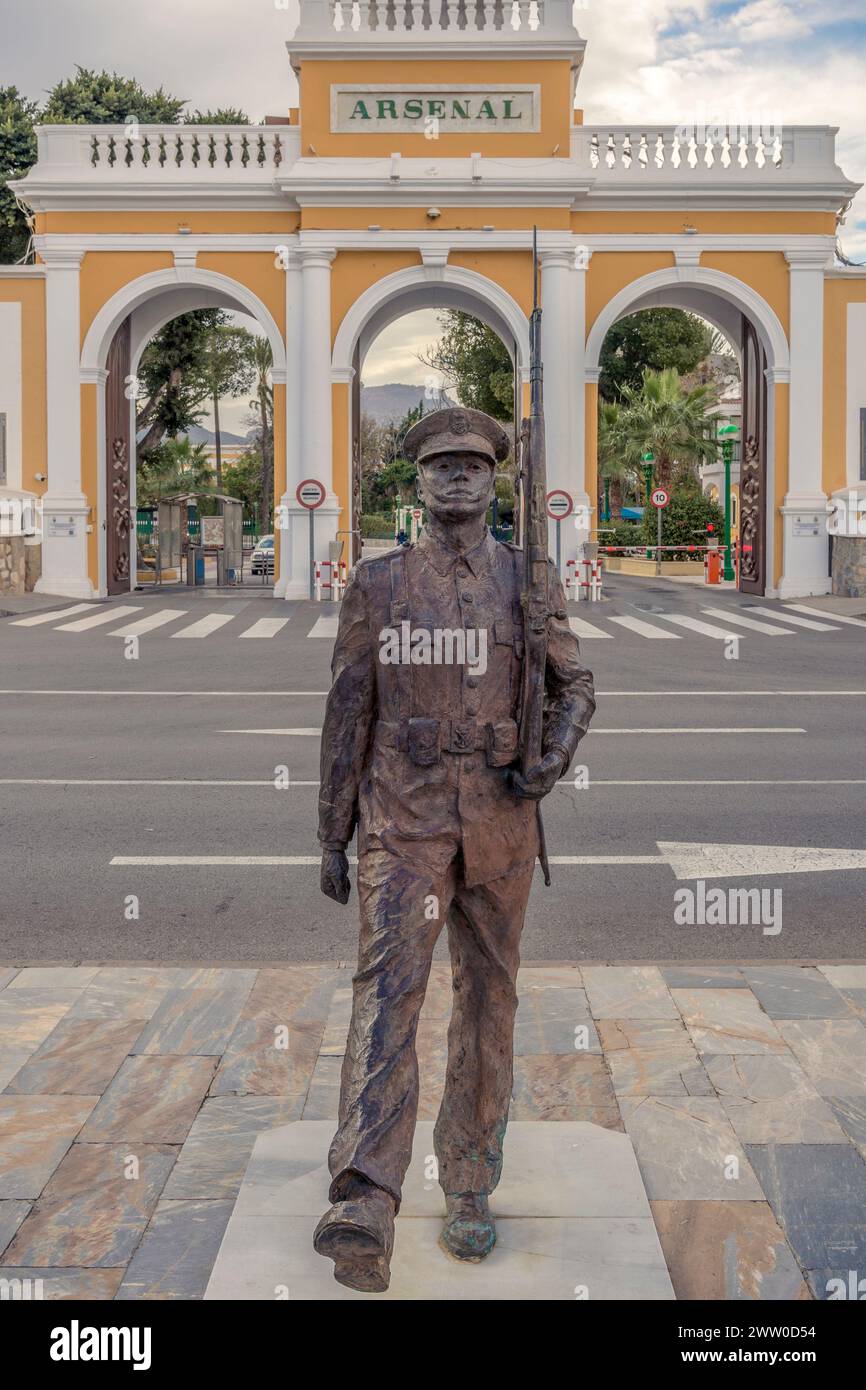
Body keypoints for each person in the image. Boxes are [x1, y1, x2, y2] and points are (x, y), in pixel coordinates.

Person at [313, 406, 596, 1292]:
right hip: (403, 818)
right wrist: (332, 832)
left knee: (488, 1003)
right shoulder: (380, 584)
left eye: (474, 465)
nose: (459, 478)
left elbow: (575, 682)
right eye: (442, 466)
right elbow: (347, 711)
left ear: (494, 481)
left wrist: (552, 755)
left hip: (503, 823)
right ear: (420, 482)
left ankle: (470, 1179)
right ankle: (364, 1196)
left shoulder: (529, 580)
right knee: (388, 993)